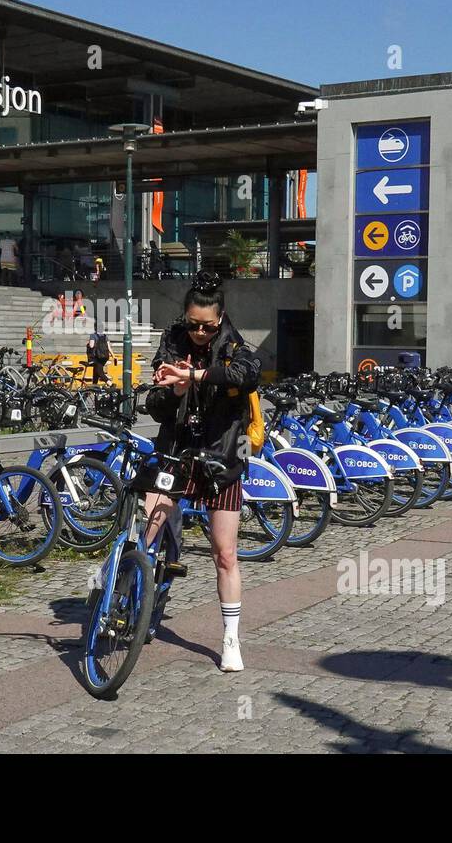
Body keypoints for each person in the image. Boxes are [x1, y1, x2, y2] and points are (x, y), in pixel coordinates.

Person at [143, 271, 261, 673]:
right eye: (193, 324)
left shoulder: (234, 345)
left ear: (221, 318)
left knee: (224, 554)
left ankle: (230, 639)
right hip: (175, 450)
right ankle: (133, 603)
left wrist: (193, 376)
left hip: (220, 457)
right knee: (146, 533)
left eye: (207, 326)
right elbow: (155, 406)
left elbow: (247, 375)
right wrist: (172, 390)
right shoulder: (172, 340)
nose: (198, 332)